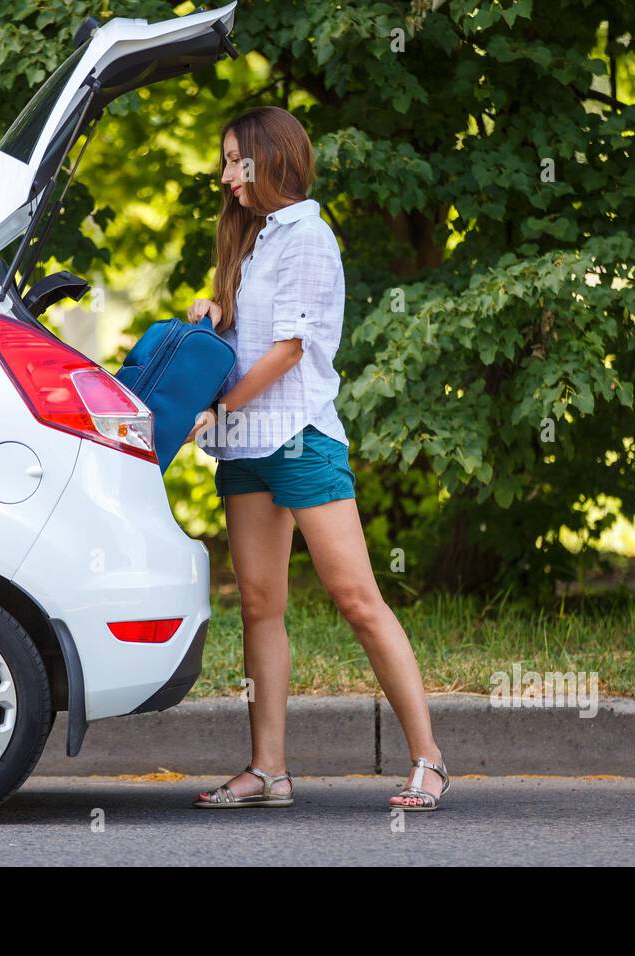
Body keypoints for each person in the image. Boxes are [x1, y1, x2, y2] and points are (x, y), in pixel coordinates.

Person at [183, 105, 450, 811]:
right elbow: (251, 335)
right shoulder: (256, 239)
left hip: (299, 437)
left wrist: (223, 409)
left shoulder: (307, 237)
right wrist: (213, 313)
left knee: (358, 600)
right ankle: (268, 770)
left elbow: (291, 348)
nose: (226, 174)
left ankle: (429, 759)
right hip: (245, 447)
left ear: (269, 160)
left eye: (235, 158)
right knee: (261, 607)